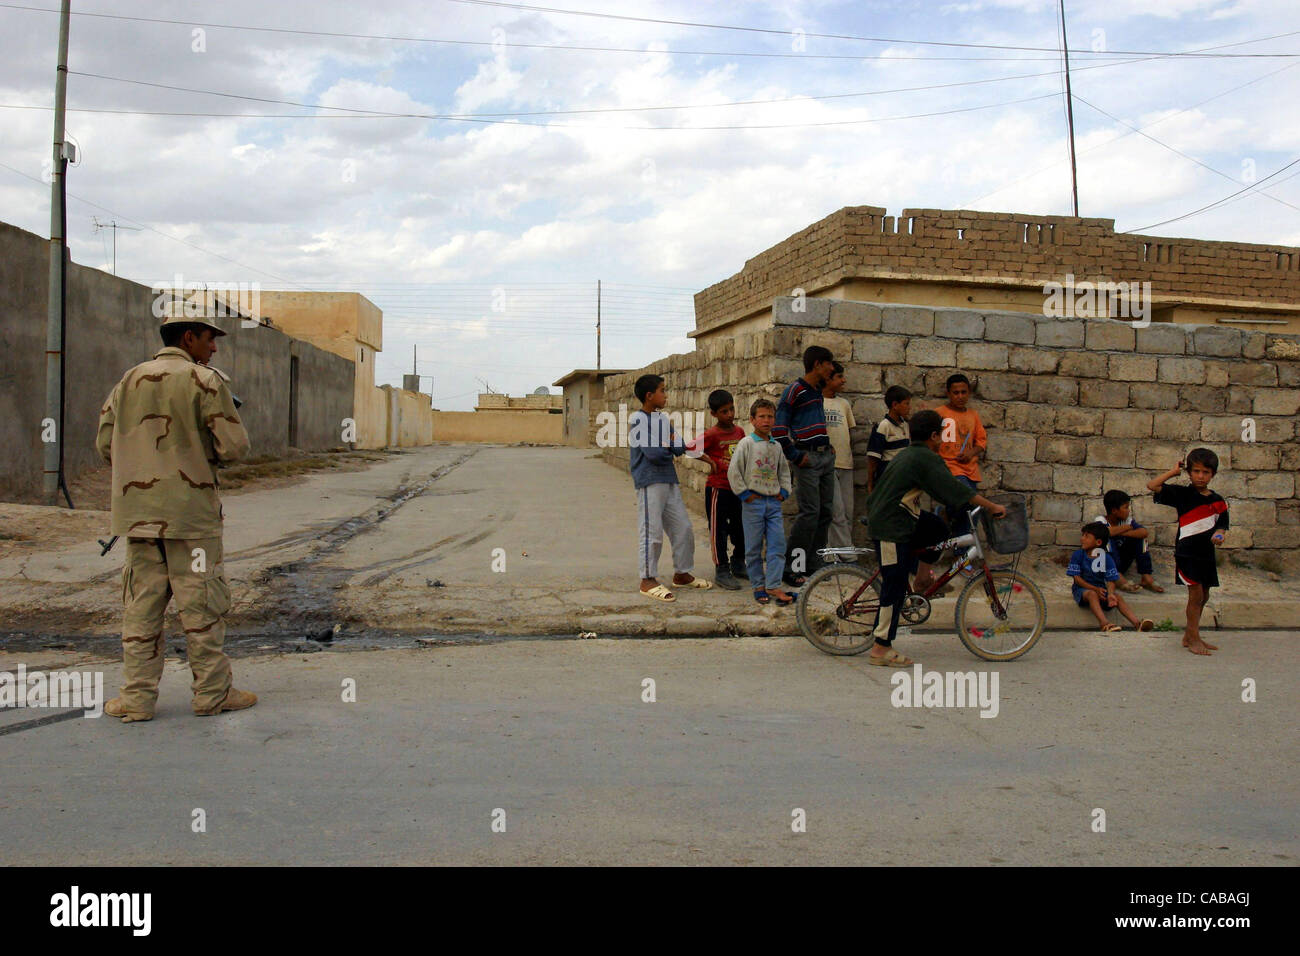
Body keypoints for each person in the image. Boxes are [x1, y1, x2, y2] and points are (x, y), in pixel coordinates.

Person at [96, 314, 254, 722]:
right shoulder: (206, 381)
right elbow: (235, 446)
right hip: (191, 516)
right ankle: (212, 695)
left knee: (142, 608)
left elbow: (104, 444)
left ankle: (136, 700)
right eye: (209, 339)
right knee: (201, 606)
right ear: (189, 338)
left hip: (139, 517)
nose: (214, 348)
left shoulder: (127, 381)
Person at [864, 410, 1007, 666]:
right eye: (941, 435)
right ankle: (880, 648)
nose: (942, 440)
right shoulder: (924, 458)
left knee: (937, 528)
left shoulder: (915, 454)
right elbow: (954, 489)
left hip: (903, 516)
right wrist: (990, 506)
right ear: (933, 436)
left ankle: (922, 578)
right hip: (890, 525)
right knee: (894, 587)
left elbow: (946, 490)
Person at [629, 374, 712, 602]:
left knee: (683, 528)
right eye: (662, 390)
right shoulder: (639, 420)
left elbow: (678, 443)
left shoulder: (662, 420)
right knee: (652, 532)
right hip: (649, 481)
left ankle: (682, 573)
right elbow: (654, 453)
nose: (666, 395)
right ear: (649, 396)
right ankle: (647, 579)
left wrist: (670, 445)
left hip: (668, 479)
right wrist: (671, 446)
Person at [1148, 449, 1229, 656]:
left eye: (1205, 472)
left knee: (1205, 594)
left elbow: (1222, 526)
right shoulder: (1182, 494)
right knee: (1195, 594)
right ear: (1189, 473)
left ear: (1213, 474)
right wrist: (1172, 472)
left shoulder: (1218, 501)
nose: (1200, 476)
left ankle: (1190, 634)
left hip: (1206, 554)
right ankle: (1193, 639)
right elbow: (1153, 486)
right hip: (1187, 553)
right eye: (1196, 471)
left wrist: (1219, 536)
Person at [773, 345, 837, 586]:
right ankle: (792, 568)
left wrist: (827, 446)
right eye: (829, 363)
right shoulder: (794, 391)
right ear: (818, 364)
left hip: (824, 457)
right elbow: (779, 430)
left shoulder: (816, 391)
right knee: (810, 513)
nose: (832, 368)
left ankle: (814, 564)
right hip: (807, 459)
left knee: (825, 512)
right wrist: (796, 456)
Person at [728, 399, 795, 606]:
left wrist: (784, 491)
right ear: (752, 420)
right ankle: (758, 585)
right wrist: (744, 494)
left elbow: (784, 471)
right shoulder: (747, 444)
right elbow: (734, 471)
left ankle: (773, 583)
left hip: (773, 504)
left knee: (777, 544)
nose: (766, 420)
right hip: (753, 503)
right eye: (762, 416)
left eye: (770, 416)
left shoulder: (776, 446)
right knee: (753, 546)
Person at [1068, 522, 1154, 633]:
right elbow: (1077, 579)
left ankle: (1137, 624)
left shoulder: (1106, 558)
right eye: (1083, 535)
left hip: (1101, 589)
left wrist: (1111, 594)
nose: (1082, 539)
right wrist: (1095, 589)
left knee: (1117, 597)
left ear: (1098, 542)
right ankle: (1104, 623)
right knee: (1092, 594)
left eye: (1086, 536)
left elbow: (1111, 580)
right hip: (1082, 590)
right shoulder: (1078, 555)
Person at [701, 389, 747, 590]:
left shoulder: (739, 432)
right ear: (714, 414)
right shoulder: (711, 434)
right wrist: (711, 461)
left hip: (737, 488)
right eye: (724, 411)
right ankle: (722, 569)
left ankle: (739, 562)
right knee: (718, 530)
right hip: (718, 489)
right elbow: (691, 449)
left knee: (741, 527)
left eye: (731, 409)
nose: (729, 414)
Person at [934, 373, 987, 543]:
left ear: (969, 393)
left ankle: (961, 552)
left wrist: (971, 453)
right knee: (966, 499)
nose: (960, 396)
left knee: (972, 511)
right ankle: (946, 513)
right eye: (956, 393)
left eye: (964, 392)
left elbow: (981, 442)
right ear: (948, 393)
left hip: (970, 470)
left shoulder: (973, 415)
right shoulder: (939, 413)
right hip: (950, 467)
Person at [1094, 489, 1164, 593]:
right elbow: (1105, 532)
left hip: (1121, 562)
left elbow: (1144, 532)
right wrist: (1126, 529)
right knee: (1105, 538)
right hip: (1104, 566)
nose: (1128, 510)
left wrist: (1121, 532)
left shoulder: (1127, 521)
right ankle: (1117, 577)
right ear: (1114, 510)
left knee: (1141, 538)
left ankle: (1146, 576)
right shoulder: (1100, 520)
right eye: (1126, 507)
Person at [822, 362, 857, 560]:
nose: (843, 381)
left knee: (848, 511)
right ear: (828, 379)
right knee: (835, 512)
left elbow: (850, 432)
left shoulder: (844, 404)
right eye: (839, 377)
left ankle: (838, 554)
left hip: (846, 463)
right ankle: (846, 555)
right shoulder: (817, 402)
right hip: (827, 464)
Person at [866, 385, 911, 494]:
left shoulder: (905, 425)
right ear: (895, 405)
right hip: (887, 479)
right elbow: (873, 460)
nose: (909, 407)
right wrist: (870, 485)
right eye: (906, 404)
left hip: (902, 478)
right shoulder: (883, 427)